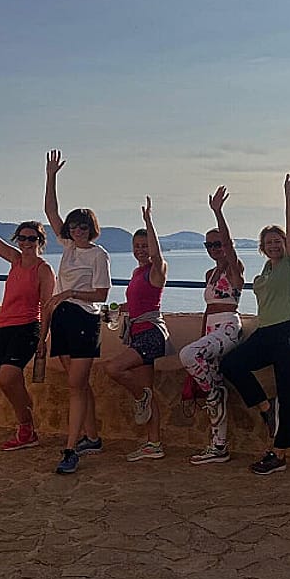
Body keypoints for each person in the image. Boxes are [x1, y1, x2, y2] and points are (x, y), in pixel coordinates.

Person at [220, 170, 290, 475]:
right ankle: (265, 407)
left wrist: (288, 194)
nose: (274, 245)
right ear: (261, 247)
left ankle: (279, 453)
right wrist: (219, 213)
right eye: (268, 242)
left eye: (278, 240)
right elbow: (231, 257)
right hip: (268, 332)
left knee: (289, 393)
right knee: (231, 364)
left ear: (286, 243)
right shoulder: (266, 271)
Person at [43, 150, 111, 475]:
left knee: (75, 385)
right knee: (79, 385)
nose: (78, 229)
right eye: (74, 225)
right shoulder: (68, 247)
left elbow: (101, 294)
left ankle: (70, 448)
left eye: (83, 225)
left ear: (91, 228)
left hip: (84, 318)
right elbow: (50, 210)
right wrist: (51, 175)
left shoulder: (99, 256)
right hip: (63, 318)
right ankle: (93, 438)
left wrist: (68, 292)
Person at [0, 184, 55, 451]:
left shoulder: (44, 270)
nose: (26, 242)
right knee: (12, 379)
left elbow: (47, 306)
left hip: (27, 328)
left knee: (6, 378)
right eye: (22, 238)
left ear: (40, 242)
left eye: (31, 238)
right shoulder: (14, 259)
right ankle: (27, 429)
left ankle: (26, 426)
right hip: (4, 328)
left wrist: (43, 337)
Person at [180, 186, 246, 465]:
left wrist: (218, 212)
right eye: (209, 245)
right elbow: (208, 309)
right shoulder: (209, 274)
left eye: (217, 244)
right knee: (213, 390)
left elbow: (230, 247)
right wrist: (201, 333)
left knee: (187, 355)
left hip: (228, 327)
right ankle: (219, 446)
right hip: (211, 329)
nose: (214, 249)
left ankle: (214, 390)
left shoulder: (234, 268)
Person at [103, 197, 168, 462]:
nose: (141, 250)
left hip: (152, 333)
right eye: (137, 246)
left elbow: (157, 255)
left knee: (113, 368)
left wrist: (148, 221)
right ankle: (154, 444)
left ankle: (140, 397)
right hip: (138, 332)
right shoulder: (136, 273)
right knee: (148, 389)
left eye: (145, 245)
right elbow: (135, 304)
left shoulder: (157, 270)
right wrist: (110, 312)